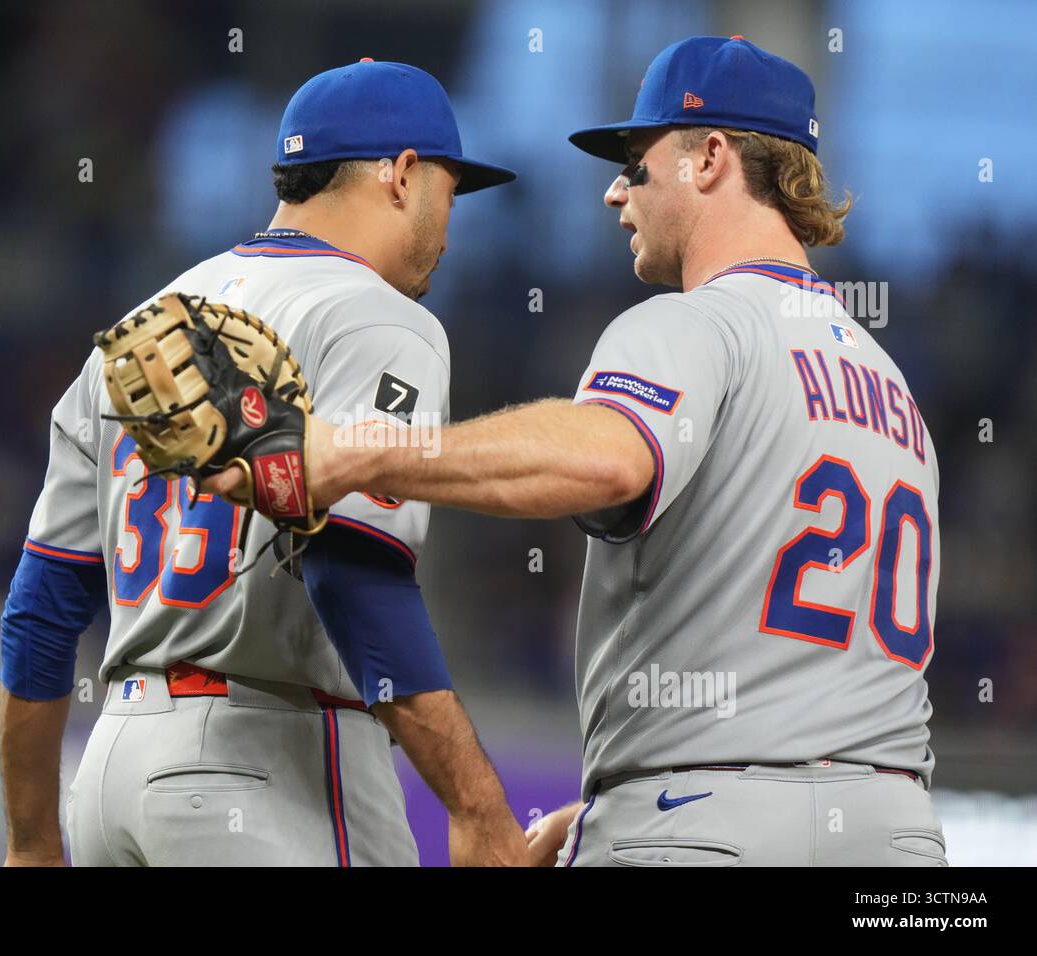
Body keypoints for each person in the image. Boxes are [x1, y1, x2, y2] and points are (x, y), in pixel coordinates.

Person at [254, 36, 946, 866]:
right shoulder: (893, 389)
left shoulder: (691, 324)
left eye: (636, 161)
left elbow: (609, 459)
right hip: (898, 836)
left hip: (704, 823)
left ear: (712, 157)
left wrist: (354, 453)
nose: (617, 192)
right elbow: (789, 682)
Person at [0, 58, 527, 866]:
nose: (450, 224)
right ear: (404, 174)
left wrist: (32, 844)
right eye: (451, 191)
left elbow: (42, 606)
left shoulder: (143, 327)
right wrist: (477, 804)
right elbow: (355, 572)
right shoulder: (380, 319)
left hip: (112, 771)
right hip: (270, 762)